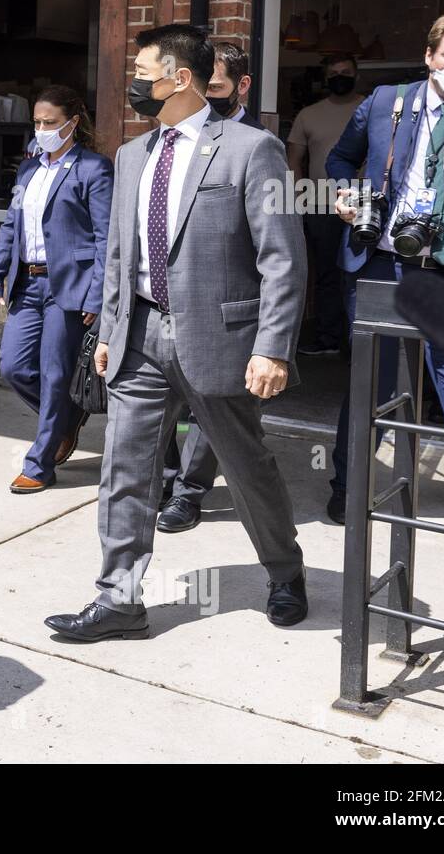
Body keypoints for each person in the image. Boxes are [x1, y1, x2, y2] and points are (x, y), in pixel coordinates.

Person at [44, 23, 309, 642]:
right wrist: (111, 329)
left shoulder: (250, 149)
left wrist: (272, 345)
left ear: (180, 79)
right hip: (140, 335)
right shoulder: (132, 155)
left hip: (221, 339)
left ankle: (284, 572)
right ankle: (120, 599)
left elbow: (282, 257)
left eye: (144, 74)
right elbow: (118, 254)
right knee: (125, 469)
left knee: (247, 467)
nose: (134, 85)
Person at [327, 12, 444, 550]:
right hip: (383, 267)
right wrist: (347, 194)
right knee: (371, 389)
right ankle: (348, 488)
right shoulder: (387, 103)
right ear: (430, 55)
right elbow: (341, 157)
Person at [158, 40, 274, 533]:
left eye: (218, 88)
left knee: (213, 415)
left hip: (227, 311)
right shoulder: (167, 142)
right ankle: (167, 478)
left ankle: (189, 491)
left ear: (240, 87)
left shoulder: (260, 146)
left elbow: (278, 250)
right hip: (165, 309)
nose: (207, 97)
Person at [0, 85, 113, 493]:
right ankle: (65, 422)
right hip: (28, 282)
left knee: (56, 375)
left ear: (72, 123)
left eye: (50, 123)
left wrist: (97, 296)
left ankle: (39, 464)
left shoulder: (94, 169)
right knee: (14, 366)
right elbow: (11, 226)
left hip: (68, 287)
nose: (41, 130)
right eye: (37, 123)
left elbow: (106, 238)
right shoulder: (27, 169)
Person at [288, 53, 364, 357]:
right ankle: (328, 337)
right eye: (334, 72)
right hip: (321, 205)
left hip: (367, 205)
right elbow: (293, 160)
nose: (339, 76)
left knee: (361, 275)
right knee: (327, 275)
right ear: (325, 77)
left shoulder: (371, 108)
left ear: (356, 74)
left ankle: (359, 342)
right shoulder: (309, 114)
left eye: (345, 70)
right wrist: (299, 199)